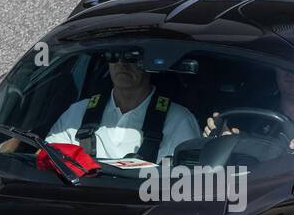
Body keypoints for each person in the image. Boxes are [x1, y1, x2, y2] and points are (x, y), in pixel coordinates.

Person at [45, 53, 199, 162]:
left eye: (132, 56)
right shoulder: (78, 112)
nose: (121, 63)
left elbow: (187, 183)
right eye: (114, 55)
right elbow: (47, 159)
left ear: (150, 64)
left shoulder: (178, 120)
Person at [203, 67, 294, 151]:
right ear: (275, 69)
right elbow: (237, 138)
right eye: (284, 66)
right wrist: (223, 137)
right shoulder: (255, 108)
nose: (290, 73)